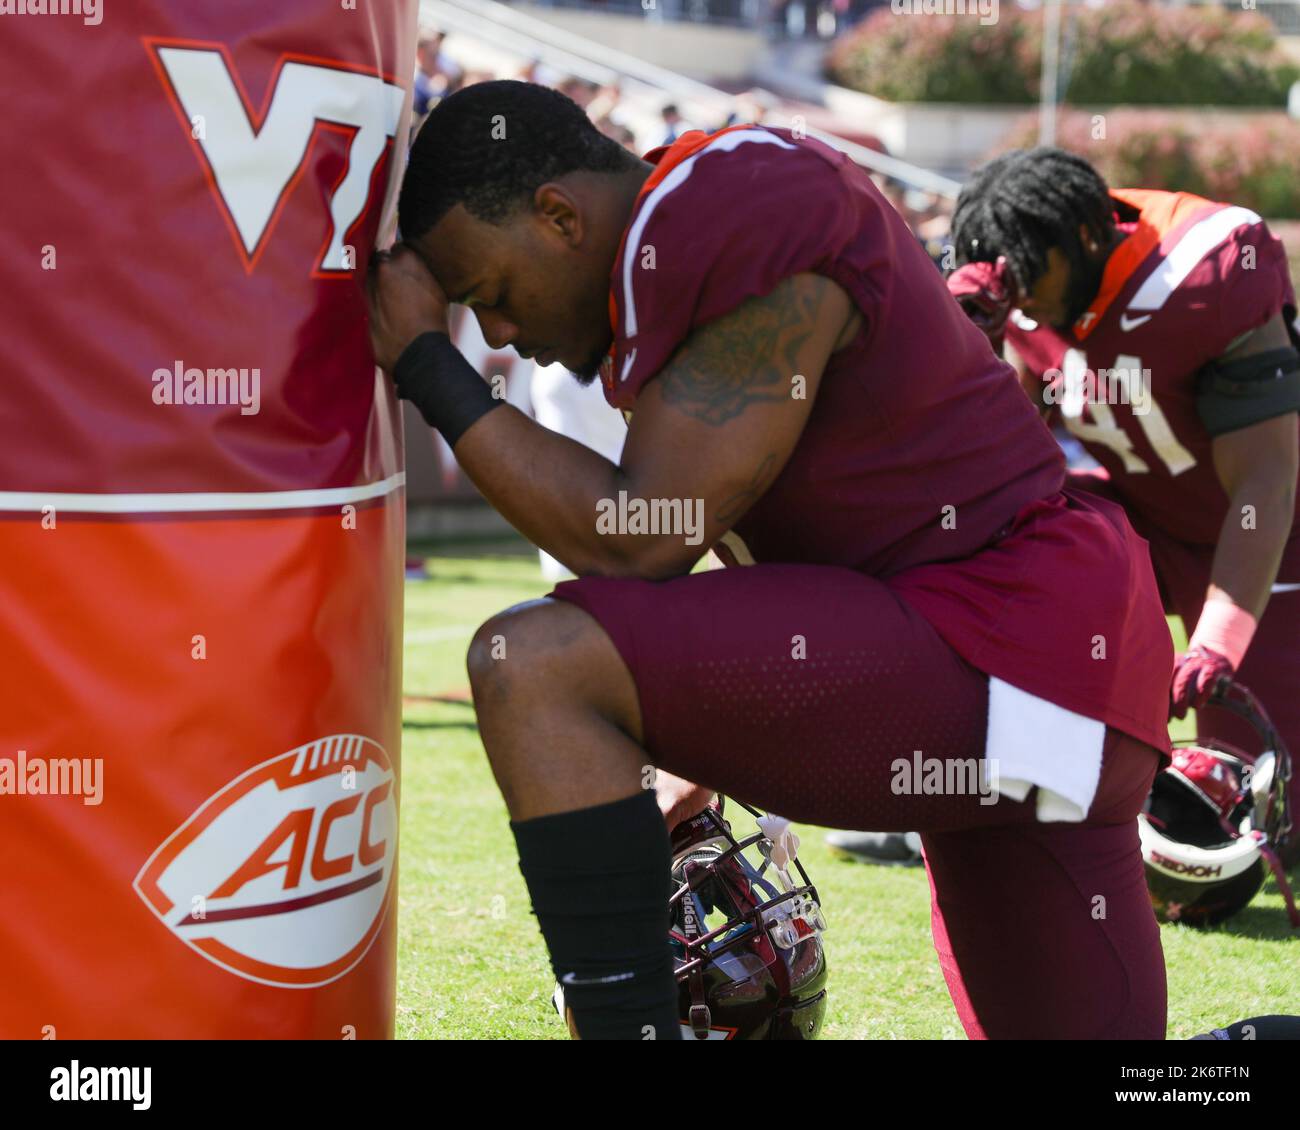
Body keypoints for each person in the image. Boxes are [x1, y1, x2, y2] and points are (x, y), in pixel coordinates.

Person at [367, 81, 1174, 1040]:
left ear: (557, 215)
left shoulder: (735, 199)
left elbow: (638, 536)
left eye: (490, 295)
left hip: (1007, 649)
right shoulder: (710, 218)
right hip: (1057, 696)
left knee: (534, 664)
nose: (498, 334)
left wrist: (427, 361)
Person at [946, 147, 1300, 866]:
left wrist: (1218, 639)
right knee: (986, 530)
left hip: (1274, 535)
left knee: (1249, 813)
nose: (1018, 300)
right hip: (1152, 518)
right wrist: (967, 353)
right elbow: (1000, 463)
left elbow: (1268, 478)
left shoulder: (1209, 269)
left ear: (1081, 239)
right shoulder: (1023, 295)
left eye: (1026, 270)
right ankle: (973, 790)